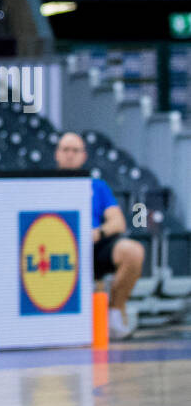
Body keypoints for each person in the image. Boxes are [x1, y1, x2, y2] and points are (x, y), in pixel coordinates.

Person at [55, 131, 144, 340]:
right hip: (58, 249)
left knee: (133, 252)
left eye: (75, 150)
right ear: (57, 154)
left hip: (93, 247)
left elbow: (118, 222)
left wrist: (98, 232)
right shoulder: (45, 184)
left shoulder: (97, 186)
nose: (70, 155)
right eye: (65, 150)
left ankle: (114, 311)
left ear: (84, 156)